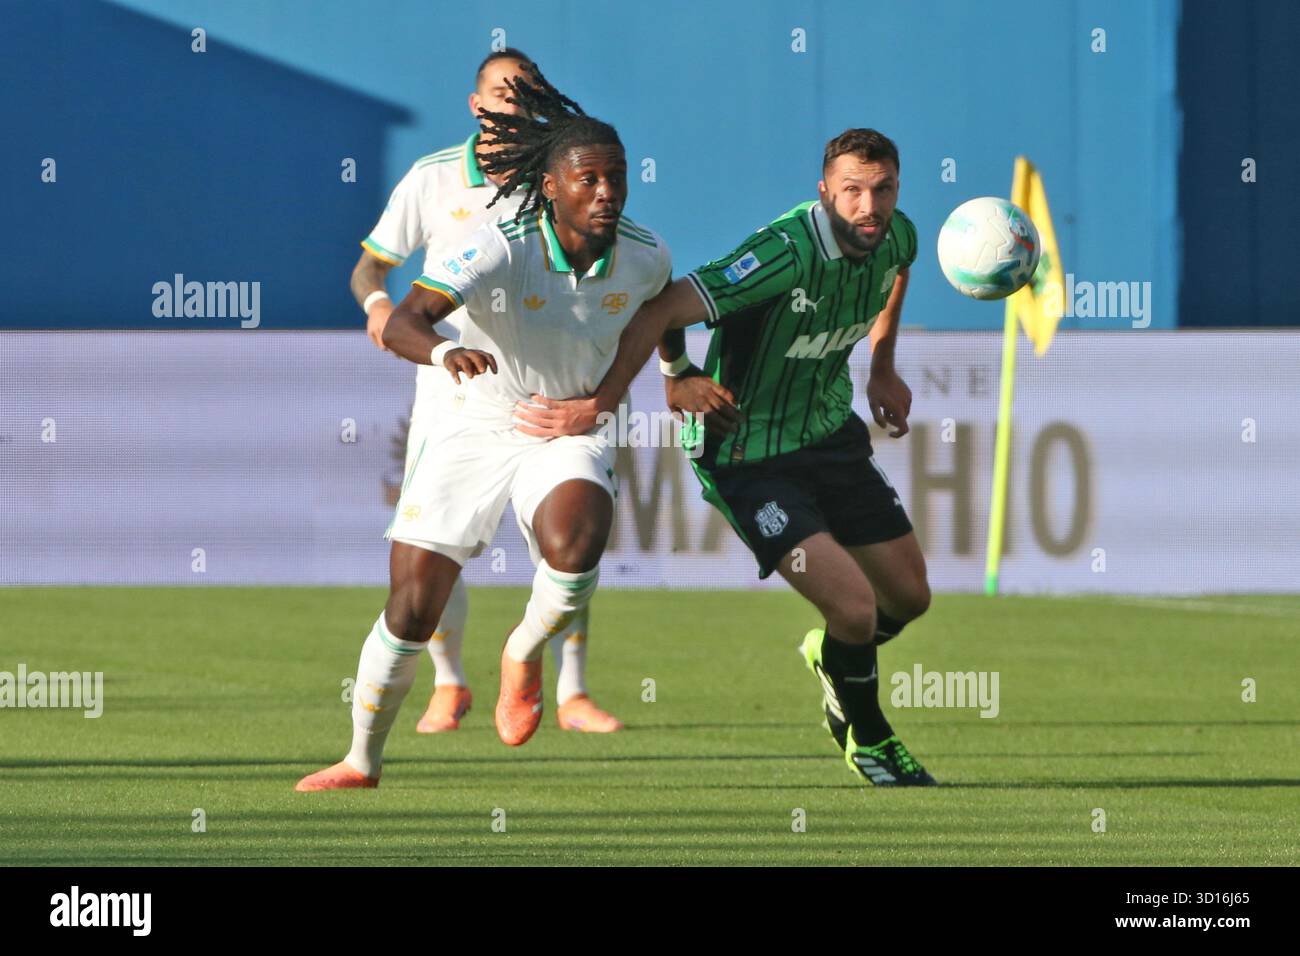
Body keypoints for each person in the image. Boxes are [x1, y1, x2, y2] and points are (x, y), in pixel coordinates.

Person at [515, 128, 937, 787]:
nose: (870, 207)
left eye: (882, 190)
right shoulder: (783, 254)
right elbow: (661, 307)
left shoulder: (898, 234)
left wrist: (882, 366)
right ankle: (872, 740)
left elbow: (898, 268)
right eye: (852, 191)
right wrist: (642, 388)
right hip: (747, 456)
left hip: (829, 435)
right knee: (853, 609)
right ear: (825, 193)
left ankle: (834, 661)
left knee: (909, 599)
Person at [297, 64, 670, 791]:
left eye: (617, 177)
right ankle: (361, 760)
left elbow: (660, 311)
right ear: (552, 185)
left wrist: (655, 380)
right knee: (411, 605)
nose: (607, 192)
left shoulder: (645, 251)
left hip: (564, 420)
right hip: (471, 414)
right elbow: (406, 314)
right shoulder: (498, 239)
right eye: (590, 179)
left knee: (579, 537)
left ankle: (524, 654)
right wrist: (440, 350)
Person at [349, 48, 621, 737]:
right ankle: (448, 681)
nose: (516, 105)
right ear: (476, 105)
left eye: (528, 93)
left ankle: (572, 690)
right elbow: (371, 266)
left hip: (545, 384)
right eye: (503, 93)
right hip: (456, 388)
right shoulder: (434, 178)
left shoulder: (557, 179)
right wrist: (379, 305)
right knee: (436, 546)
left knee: (570, 536)